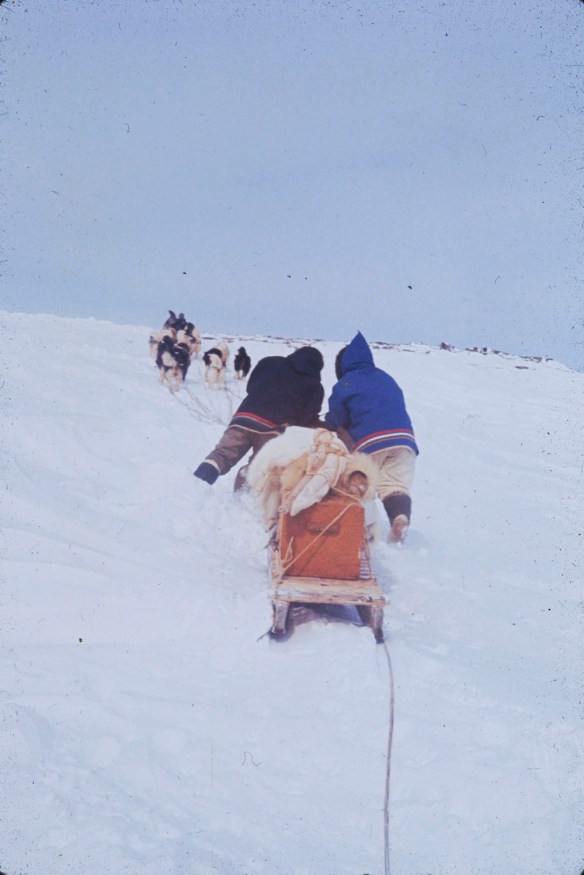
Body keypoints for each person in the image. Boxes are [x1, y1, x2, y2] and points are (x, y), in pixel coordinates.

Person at [323, 331, 418, 543]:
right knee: (395, 485)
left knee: (358, 488)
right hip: (404, 441)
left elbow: (338, 417)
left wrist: (329, 423)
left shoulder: (346, 383)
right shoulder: (386, 377)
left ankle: (361, 535)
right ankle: (399, 516)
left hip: (371, 442)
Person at [194, 346, 325, 486]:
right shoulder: (315, 386)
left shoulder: (269, 363)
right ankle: (241, 498)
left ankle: (196, 486)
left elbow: (251, 387)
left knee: (221, 455)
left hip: (244, 418)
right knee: (258, 467)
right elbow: (306, 420)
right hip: (274, 430)